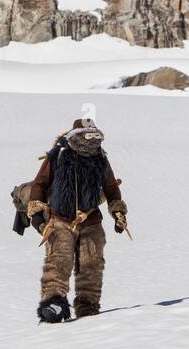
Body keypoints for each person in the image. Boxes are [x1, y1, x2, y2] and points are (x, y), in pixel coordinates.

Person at [27, 117, 128, 322]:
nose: (91, 143)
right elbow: (40, 184)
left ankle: (88, 306)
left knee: (91, 263)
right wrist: (38, 217)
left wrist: (118, 213)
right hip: (60, 219)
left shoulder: (100, 158)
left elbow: (110, 188)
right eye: (87, 138)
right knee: (59, 260)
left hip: (91, 220)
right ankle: (53, 304)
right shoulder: (58, 156)